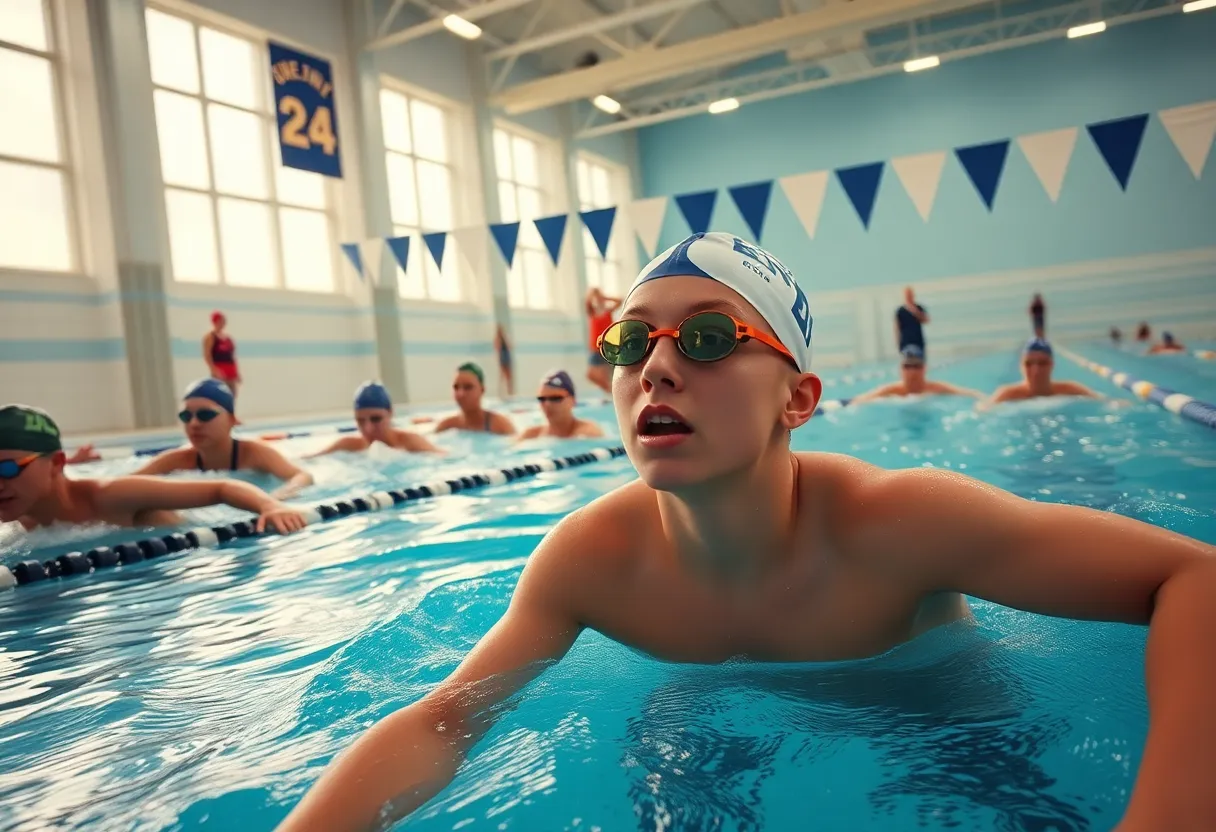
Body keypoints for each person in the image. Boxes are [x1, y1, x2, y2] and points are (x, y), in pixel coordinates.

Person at [277, 232, 1216, 832]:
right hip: (706, 712)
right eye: (628, 340)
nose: (657, 367)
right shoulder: (590, 560)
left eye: (710, 339)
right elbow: (445, 719)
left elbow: (1196, 581)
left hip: (932, 709)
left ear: (799, 400)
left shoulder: (901, 522)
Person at [0, 404, 306, 533]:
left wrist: (271, 505)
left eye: (7, 468)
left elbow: (222, 487)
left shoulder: (110, 497)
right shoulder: (22, 517)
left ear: (56, 464)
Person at [133, 379, 314, 499]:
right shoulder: (176, 459)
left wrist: (282, 493)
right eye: (186, 416)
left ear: (232, 420)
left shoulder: (254, 453)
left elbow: (302, 475)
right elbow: (123, 484)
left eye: (205, 414)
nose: (194, 424)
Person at [306, 383, 442, 457]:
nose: (368, 428)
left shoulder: (410, 441)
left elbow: (444, 459)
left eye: (376, 419)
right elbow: (310, 459)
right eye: (360, 421)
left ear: (390, 413)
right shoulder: (348, 445)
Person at [981, 338, 1102, 407]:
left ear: (1051, 365)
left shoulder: (1070, 389)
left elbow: (1104, 402)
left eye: (1042, 363)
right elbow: (982, 411)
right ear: (1020, 367)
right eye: (1029, 364)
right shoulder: (1007, 394)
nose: (1036, 370)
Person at [849, 345, 984, 404]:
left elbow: (971, 394)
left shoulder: (935, 389)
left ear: (924, 368)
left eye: (916, 366)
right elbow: (860, 400)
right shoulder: (892, 390)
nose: (912, 371)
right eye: (907, 366)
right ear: (901, 369)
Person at [515, 371, 605, 442]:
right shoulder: (529, 435)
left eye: (555, 398)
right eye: (542, 399)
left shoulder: (588, 432)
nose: (547, 404)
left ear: (572, 401)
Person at [434, 363, 516, 435]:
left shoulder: (500, 425)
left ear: (482, 390)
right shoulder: (446, 426)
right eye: (456, 387)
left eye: (468, 387)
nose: (460, 394)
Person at [585, 287, 621, 395]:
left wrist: (605, 298)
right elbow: (587, 303)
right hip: (595, 349)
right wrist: (592, 295)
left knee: (606, 375)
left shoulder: (607, 311)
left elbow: (619, 300)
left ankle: (611, 394)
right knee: (591, 375)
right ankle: (610, 392)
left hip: (606, 346)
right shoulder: (592, 312)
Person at [204, 311, 241, 398]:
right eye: (221, 320)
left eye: (224, 321)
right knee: (221, 397)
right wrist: (213, 370)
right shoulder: (210, 336)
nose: (223, 323)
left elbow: (232, 356)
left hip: (230, 371)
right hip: (219, 370)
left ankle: (230, 411)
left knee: (232, 396)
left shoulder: (228, 338)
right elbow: (207, 355)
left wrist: (237, 373)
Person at [894, 286, 929, 353]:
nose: (909, 297)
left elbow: (926, 320)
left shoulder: (918, 307)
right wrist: (898, 343)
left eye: (910, 295)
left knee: (919, 362)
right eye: (907, 295)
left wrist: (915, 311)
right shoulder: (900, 311)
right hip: (906, 343)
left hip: (918, 342)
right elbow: (897, 328)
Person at [493, 325, 514, 398]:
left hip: (506, 357)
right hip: (503, 358)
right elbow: (497, 348)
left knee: (508, 375)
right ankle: (503, 391)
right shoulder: (498, 339)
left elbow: (510, 347)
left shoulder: (504, 339)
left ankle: (509, 391)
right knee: (503, 375)